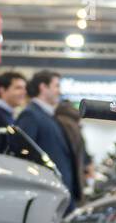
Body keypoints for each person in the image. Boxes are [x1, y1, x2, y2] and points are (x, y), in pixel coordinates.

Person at [19, 69, 80, 204]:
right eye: (56, 86)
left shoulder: (48, 115)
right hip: (46, 194)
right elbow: (24, 155)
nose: (59, 91)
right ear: (43, 87)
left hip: (58, 192)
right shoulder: (31, 115)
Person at [0, 70, 27, 137]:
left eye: (24, 88)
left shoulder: (6, 114)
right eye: (18, 88)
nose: (24, 92)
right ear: (2, 90)